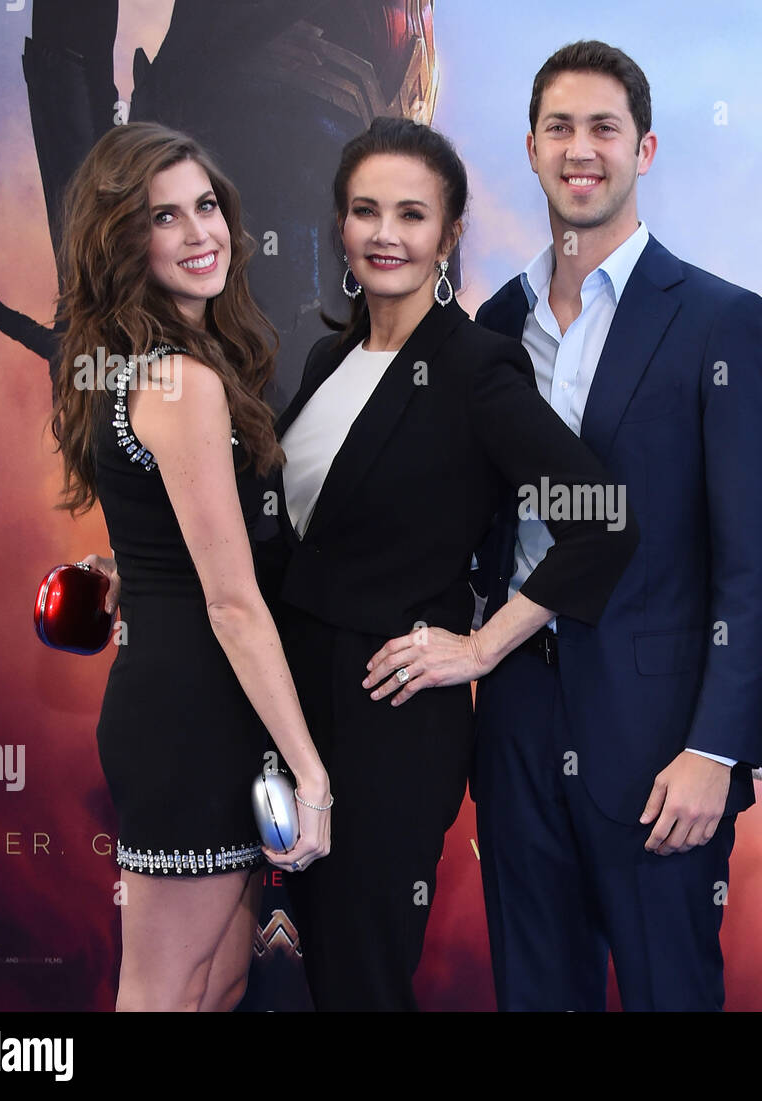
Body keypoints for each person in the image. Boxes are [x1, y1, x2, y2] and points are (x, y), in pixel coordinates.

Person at [257, 116, 638, 1011]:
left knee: (362, 978)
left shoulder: (475, 367)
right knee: (299, 974)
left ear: (448, 233)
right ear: (341, 227)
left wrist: (478, 647)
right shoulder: (328, 355)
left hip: (390, 727)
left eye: (412, 214)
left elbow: (604, 520)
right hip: (292, 708)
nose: (386, 234)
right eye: (365, 211)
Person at [471, 40, 762, 1011]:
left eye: (603, 128)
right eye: (560, 128)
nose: (581, 149)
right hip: (520, 735)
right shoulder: (489, 327)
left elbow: (756, 563)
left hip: (663, 750)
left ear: (643, 149)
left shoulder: (719, 323)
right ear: (529, 148)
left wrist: (717, 748)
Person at [50, 122, 332, 1011]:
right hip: (191, 718)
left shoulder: (157, 364)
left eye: (205, 206)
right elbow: (232, 602)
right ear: (123, 240)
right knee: (168, 991)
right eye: (164, 217)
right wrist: (310, 773)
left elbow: (160, 546)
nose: (200, 233)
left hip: (200, 704)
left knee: (217, 983)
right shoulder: (178, 378)